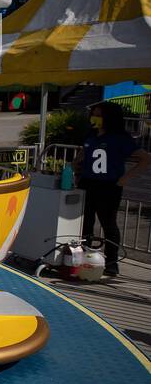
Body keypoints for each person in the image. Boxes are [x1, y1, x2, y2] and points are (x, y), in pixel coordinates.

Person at [74, 101, 150, 277]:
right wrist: (76, 166)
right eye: (94, 114)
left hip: (109, 185)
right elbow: (81, 155)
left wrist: (124, 179)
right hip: (87, 183)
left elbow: (145, 158)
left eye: (99, 115)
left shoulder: (120, 138)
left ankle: (111, 263)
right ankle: (85, 257)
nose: (95, 118)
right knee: (85, 222)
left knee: (108, 223)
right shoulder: (91, 135)